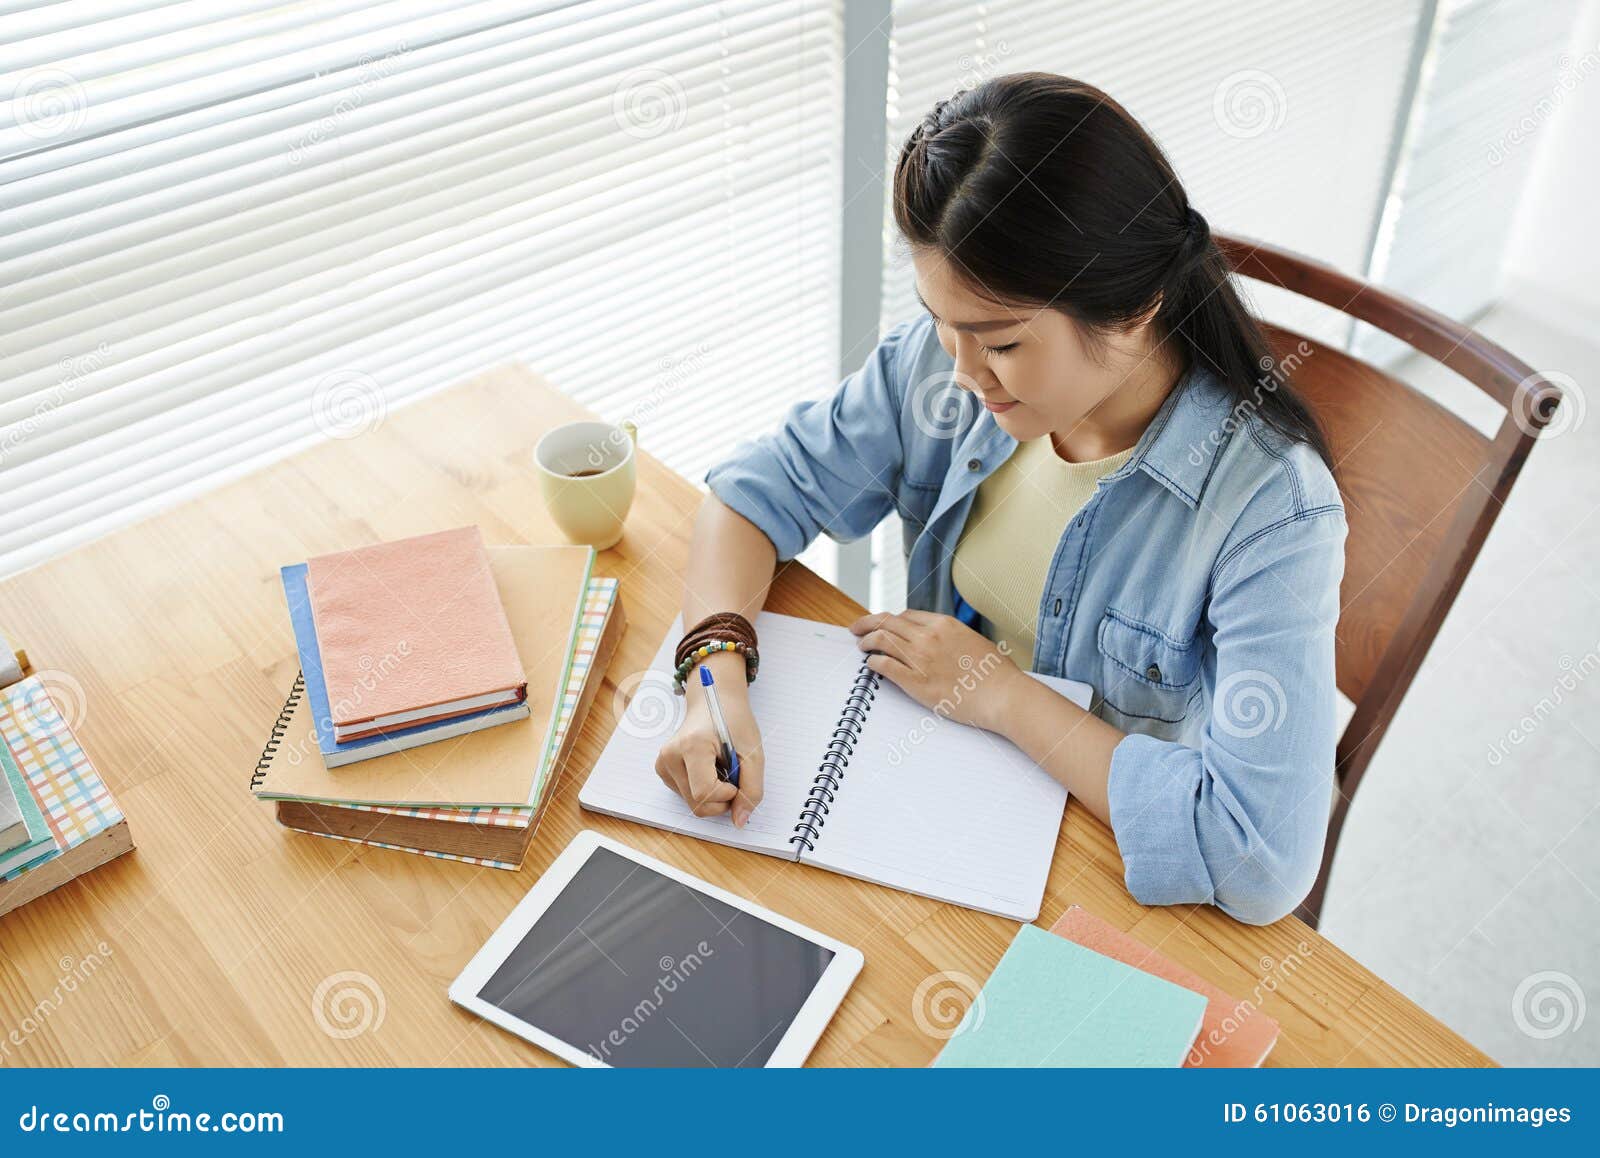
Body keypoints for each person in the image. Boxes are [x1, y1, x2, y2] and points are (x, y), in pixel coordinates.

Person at [654, 73, 1345, 926]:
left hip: (1105, 867)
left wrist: (1000, 694)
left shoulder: (1272, 511)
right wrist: (714, 683)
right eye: (942, 322)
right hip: (933, 806)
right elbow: (757, 490)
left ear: (1133, 309)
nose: (960, 373)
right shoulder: (946, 364)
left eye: (1003, 343)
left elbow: (1258, 859)